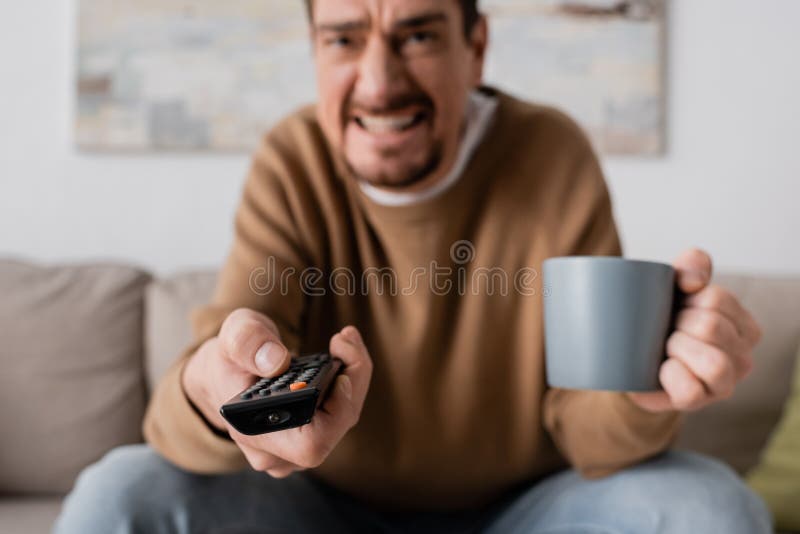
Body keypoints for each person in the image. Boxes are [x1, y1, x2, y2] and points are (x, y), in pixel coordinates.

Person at [54, 0, 772, 532]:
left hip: (524, 513)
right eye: (343, 38)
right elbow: (179, 417)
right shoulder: (293, 159)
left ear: (477, 46)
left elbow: (585, 426)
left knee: (712, 508)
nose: (378, 82)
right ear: (313, 50)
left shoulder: (551, 154)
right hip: (318, 508)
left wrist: (642, 392)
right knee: (120, 491)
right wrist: (219, 398)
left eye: (418, 34)